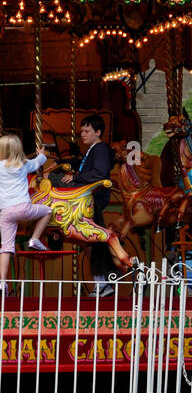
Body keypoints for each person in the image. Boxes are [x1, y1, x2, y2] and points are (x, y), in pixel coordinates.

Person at [61, 114, 115, 298]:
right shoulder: (93, 149)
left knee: (93, 241)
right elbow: (84, 165)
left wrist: (75, 177)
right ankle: (101, 282)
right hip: (87, 198)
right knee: (89, 242)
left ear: (98, 132)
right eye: (81, 131)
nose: (82, 134)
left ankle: (103, 282)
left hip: (93, 198)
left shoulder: (100, 149)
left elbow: (99, 172)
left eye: (86, 131)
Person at [0, 134, 51, 293]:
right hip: (23, 208)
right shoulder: (23, 164)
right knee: (48, 210)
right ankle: (34, 239)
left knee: (6, 247)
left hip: (6, 212)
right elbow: (39, 162)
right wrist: (42, 153)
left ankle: (2, 282)